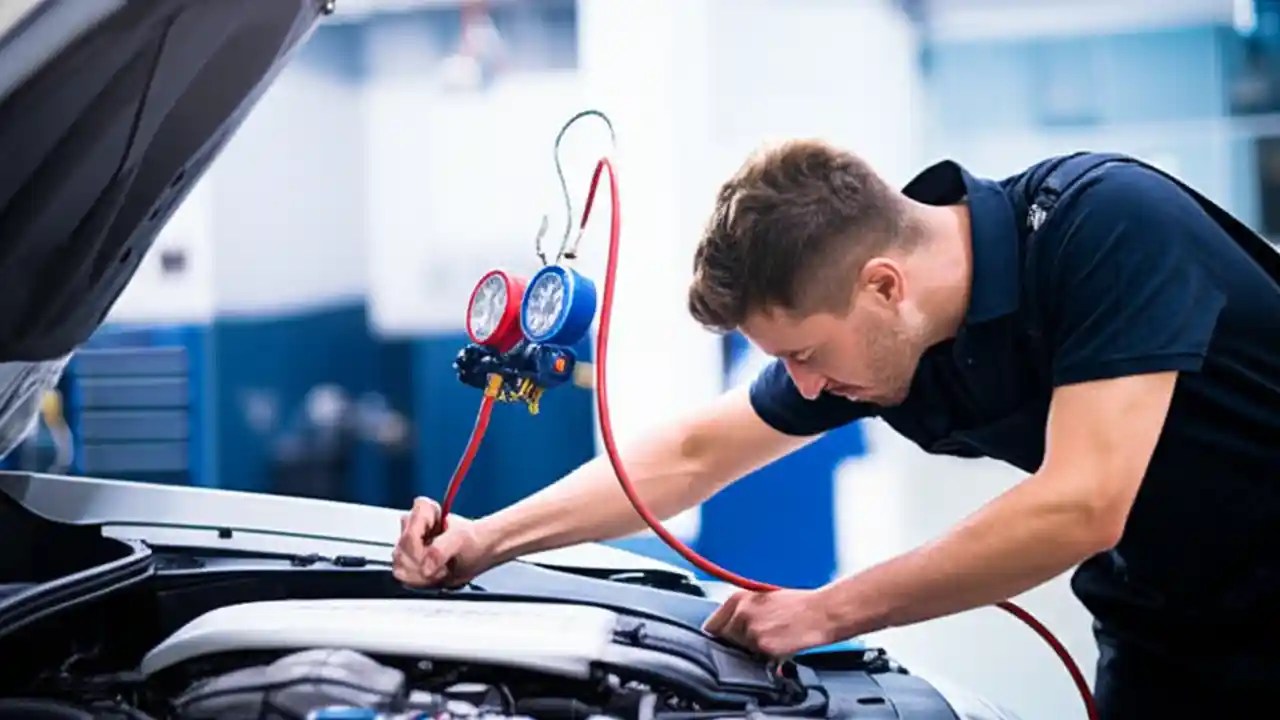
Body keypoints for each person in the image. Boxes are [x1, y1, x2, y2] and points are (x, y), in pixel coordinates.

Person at [393, 140, 1280, 718]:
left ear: (884, 284)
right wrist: (487, 540)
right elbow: (698, 453)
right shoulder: (893, 340)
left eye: (807, 353)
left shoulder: (1108, 225)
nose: (806, 384)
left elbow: (1081, 505)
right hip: (1174, 637)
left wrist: (826, 610)